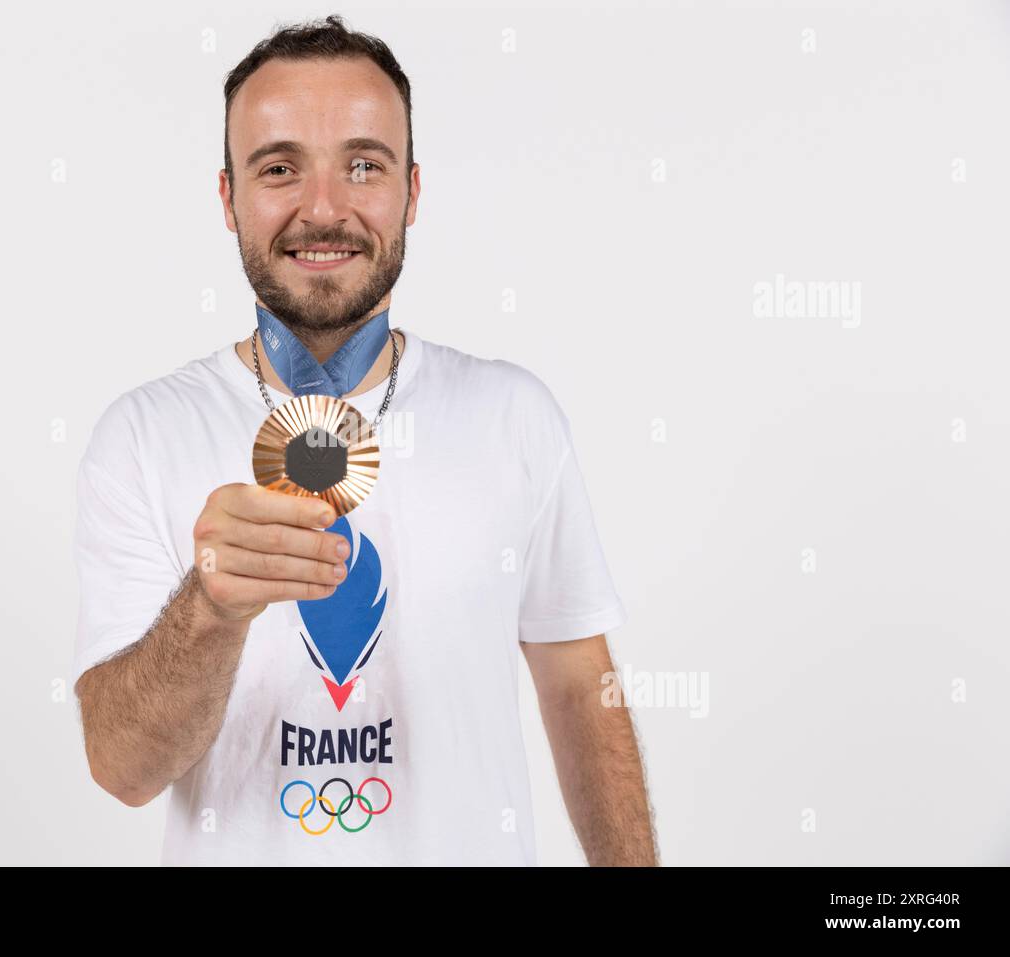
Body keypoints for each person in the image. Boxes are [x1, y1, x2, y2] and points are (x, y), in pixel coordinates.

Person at [71, 15, 657, 866]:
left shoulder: (514, 416)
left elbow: (579, 691)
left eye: (363, 165)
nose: (323, 209)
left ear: (412, 192)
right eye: (280, 168)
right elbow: (121, 769)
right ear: (228, 198)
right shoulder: (142, 435)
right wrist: (210, 609)